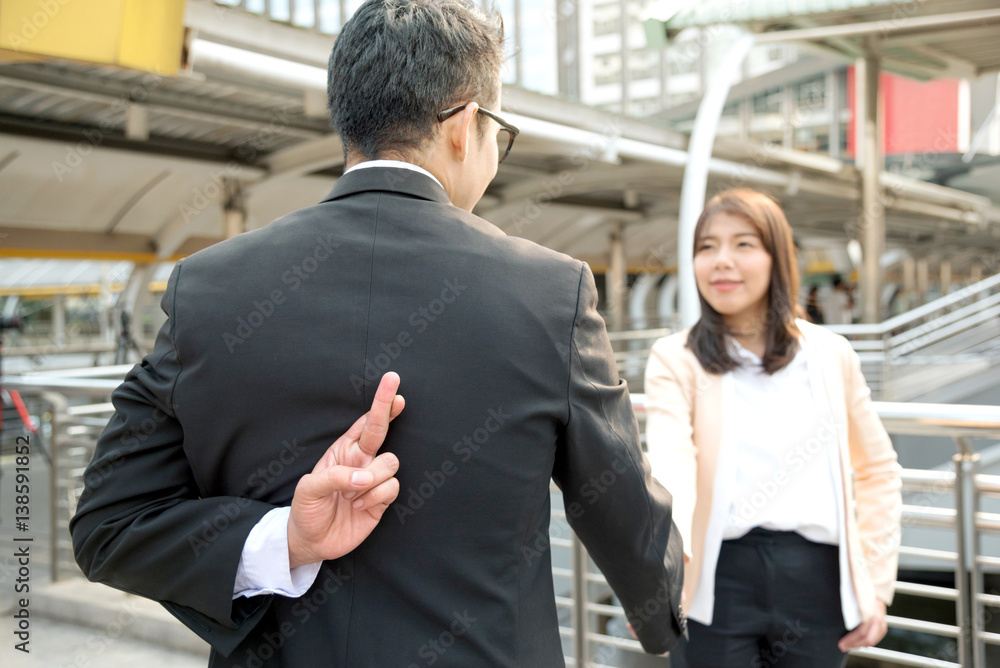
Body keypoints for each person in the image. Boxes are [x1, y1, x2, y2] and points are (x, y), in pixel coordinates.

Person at [70, 1, 685, 666]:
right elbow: (624, 513)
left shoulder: (211, 286)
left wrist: (285, 541)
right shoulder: (549, 292)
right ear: (464, 125)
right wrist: (671, 626)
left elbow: (110, 524)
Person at [644, 189, 901, 667]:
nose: (722, 261)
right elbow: (671, 469)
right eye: (707, 247)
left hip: (819, 580)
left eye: (744, 244)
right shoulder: (675, 358)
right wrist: (663, 575)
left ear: (777, 257)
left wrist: (877, 587)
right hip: (717, 575)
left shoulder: (830, 354)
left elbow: (879, 472)